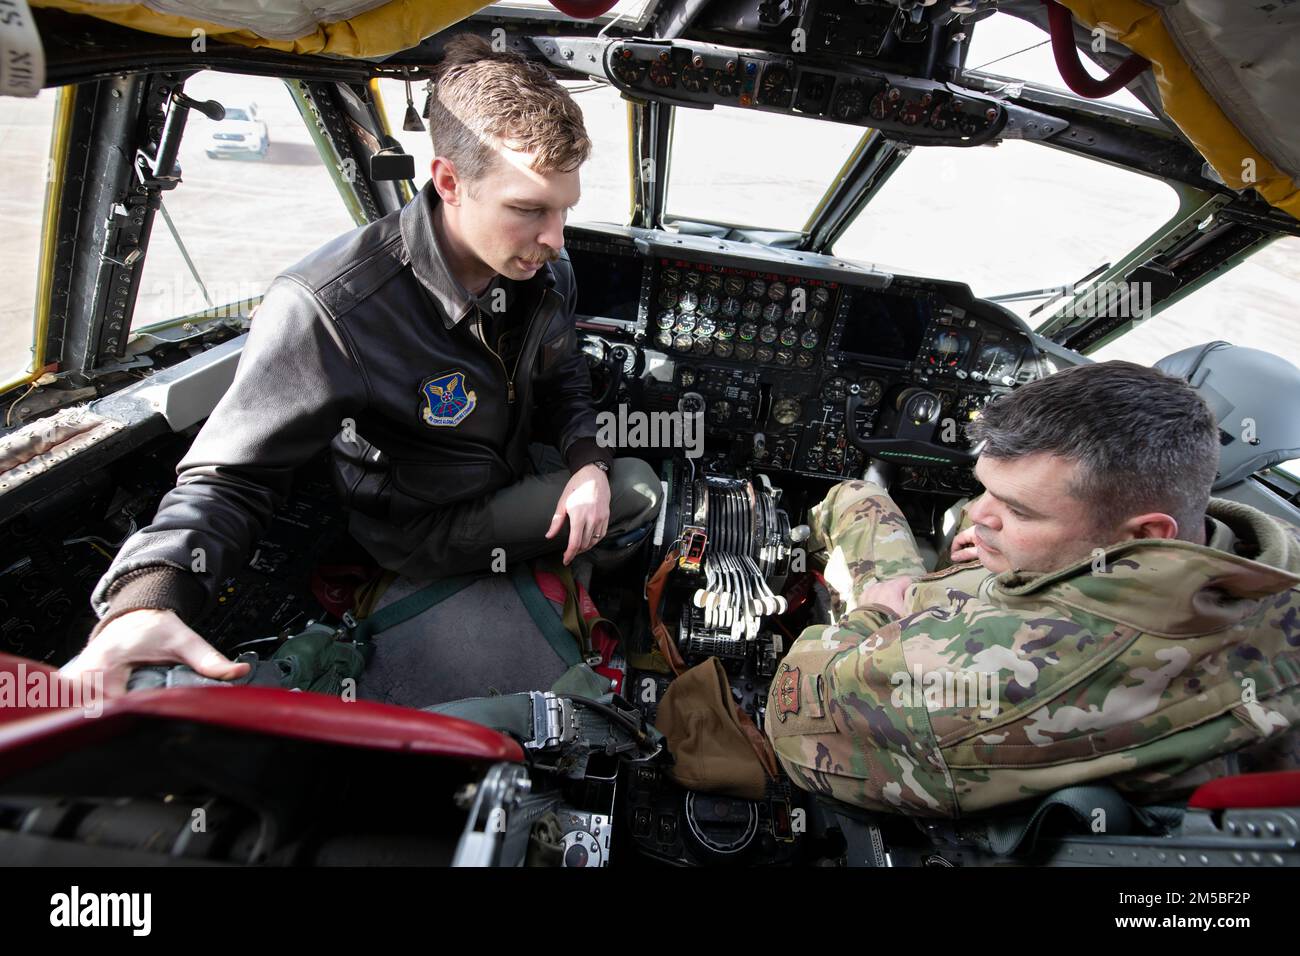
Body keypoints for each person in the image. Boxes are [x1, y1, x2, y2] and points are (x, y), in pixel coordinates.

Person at [67, 35, 661, 695]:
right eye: (528, 210)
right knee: (638, 490)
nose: (554, 237)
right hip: (425, 528)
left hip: (506, 468)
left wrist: (585, 463)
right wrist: (150, 595)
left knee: (617, 477)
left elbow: (565, 381)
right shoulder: (334, 307)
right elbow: (229, 478)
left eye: (563, 210)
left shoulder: (544, 269)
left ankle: (549, 559)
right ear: (448, 182)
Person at [767, 360, 1300, 816]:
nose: (977, 514)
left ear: (1144, 535)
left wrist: (876, 616)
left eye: (1018, 509)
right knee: (857, 495)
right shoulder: (1276, 552)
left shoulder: (982, 682)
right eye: (985, 491)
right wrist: (1019, 551)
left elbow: (791, 727)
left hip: (922, 650)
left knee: (856, 497)